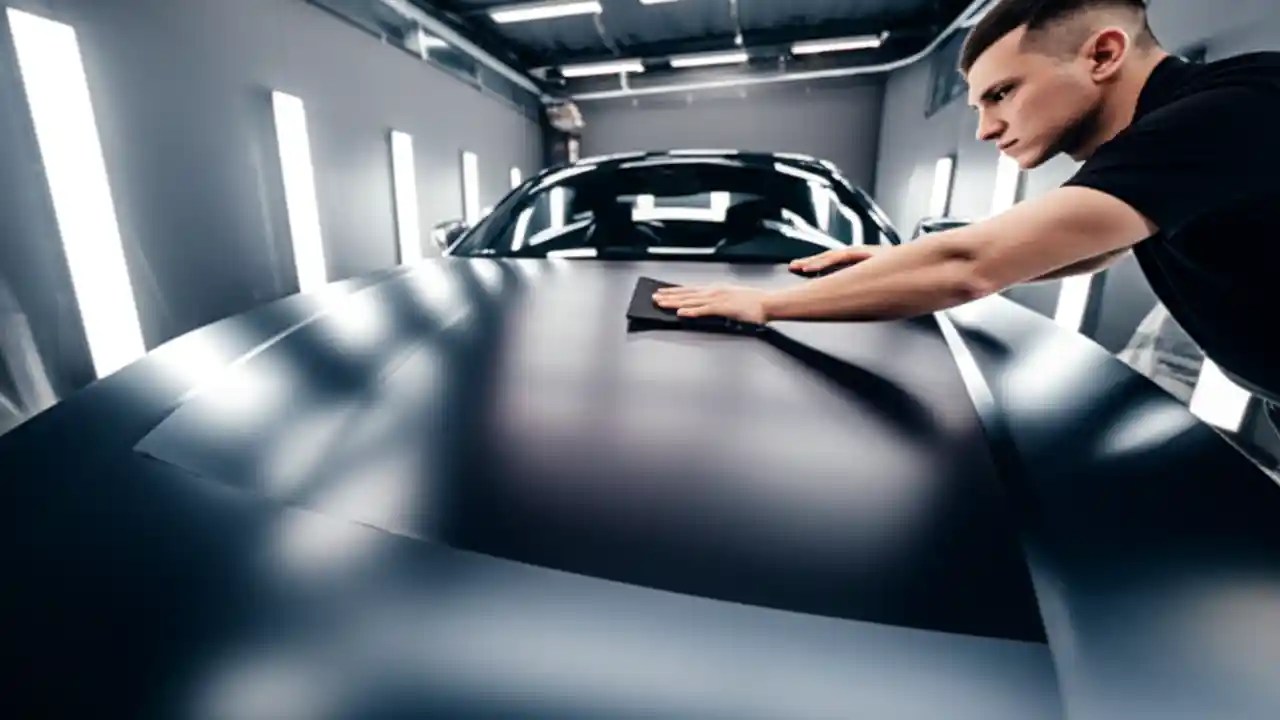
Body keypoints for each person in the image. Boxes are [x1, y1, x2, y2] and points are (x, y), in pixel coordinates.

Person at [654, 0, 1280, 426]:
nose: (985, 129)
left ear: (1103, 54)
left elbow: (970, 266)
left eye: (1002, 94)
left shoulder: (1230, 110)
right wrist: (899, 261)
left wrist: (765, 304)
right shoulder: (1182, 140)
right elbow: (1097, 246)